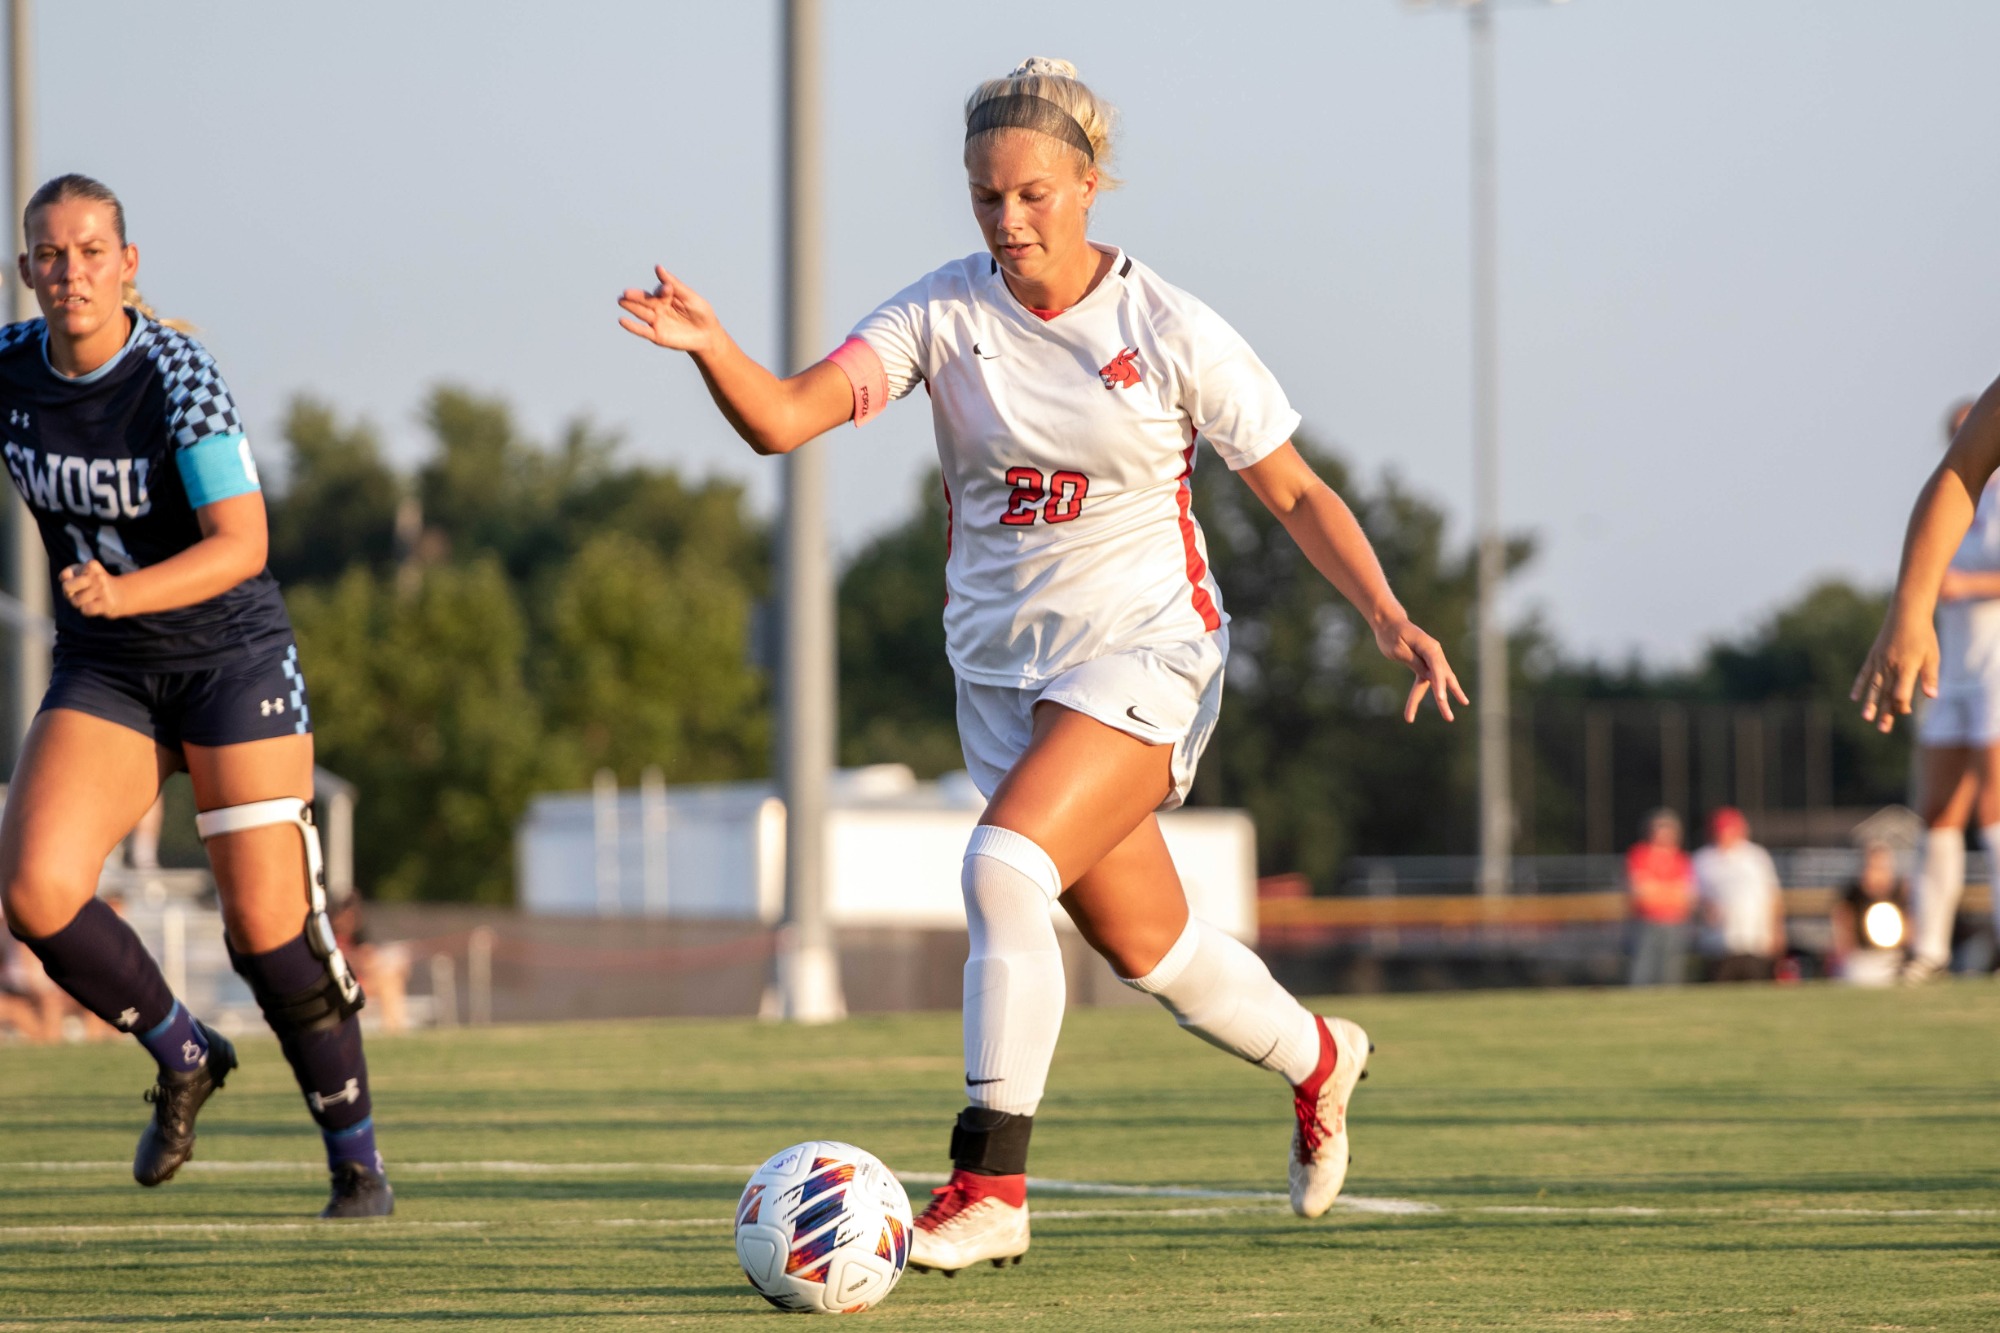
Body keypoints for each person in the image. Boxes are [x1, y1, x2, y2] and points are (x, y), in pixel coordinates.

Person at [618, 57, 1466, 1274]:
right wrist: (712, 346)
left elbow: (1292, 486)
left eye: (1031, 196)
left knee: (1002, 870)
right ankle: (1320, 1057)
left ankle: (989, 1183)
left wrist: (1385, 611)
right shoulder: (940, 316)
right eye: (983, 200)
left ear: (1086, 184)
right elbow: (784, 418)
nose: (1007, 223)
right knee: (1150, 951)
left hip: (1149, 650)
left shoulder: (1167, 328)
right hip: (1003, 680)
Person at [0, 175, 391, 1217]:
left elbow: (243, 544)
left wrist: (124, 590)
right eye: (49, 252)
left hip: (229, 660)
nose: (70, 270)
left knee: (267, 934)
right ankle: (185, 1053)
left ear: (129, 265)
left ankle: (356, 1164)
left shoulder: (178, 373)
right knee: (36, 890)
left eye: (91, 251)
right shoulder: (9, 371)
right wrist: (110, 614)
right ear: (26, 268)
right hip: (107, 669)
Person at [1855, 382, 2000, 975]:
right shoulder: (1957, 493)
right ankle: (1930, 950)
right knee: (1938, 808)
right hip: (1953, 668)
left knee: (1995, 805)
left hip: (1997, 666)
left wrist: (1966, 587)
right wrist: (1909, 613)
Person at [1692, 808, 1785, 982]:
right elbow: (1692, 897)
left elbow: (1772, 897)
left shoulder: (1756, 856)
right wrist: (1704, 909)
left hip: (1755, 939)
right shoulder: (1703, 859)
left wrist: (1777, 932)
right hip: (1717, 942)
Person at [1625, 809, 1694, 986]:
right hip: (1646, 921)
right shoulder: (1639, 854)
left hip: (1674, 921)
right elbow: (1642, 892)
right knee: (1643, 969)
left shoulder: (1680, 858)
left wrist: (1658, 890)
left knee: (1671, 971)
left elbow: (1686, 896)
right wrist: (1669, 892)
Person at [1829, 839, 1909, 985]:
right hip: (1862, 958)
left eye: (1881, 867)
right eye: (1873, 866)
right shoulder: (1853, 894)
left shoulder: (1900, 893)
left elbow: (1909, 929)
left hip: (1894, 957)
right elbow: (1843, 925)